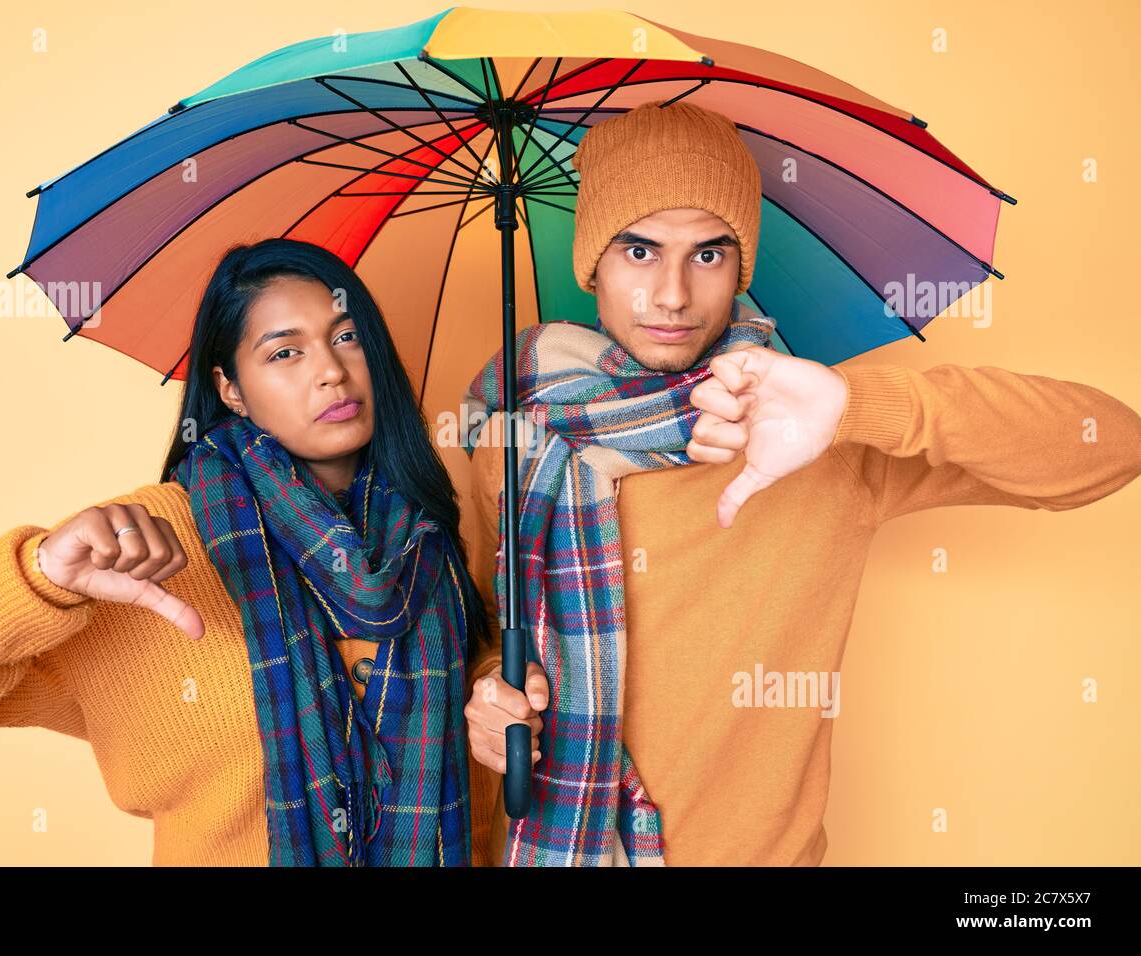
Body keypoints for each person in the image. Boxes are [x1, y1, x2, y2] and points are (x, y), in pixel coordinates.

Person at [461, 101, 1141, 866]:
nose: (675, 294)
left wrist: (865, 405)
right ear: (593, 263)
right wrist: (491, 695)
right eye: (640, 251)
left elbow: (1111, 446)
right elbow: (494, 625)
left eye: (709, 254)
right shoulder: (525, 432)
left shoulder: (818, 429)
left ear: (742, 265)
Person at [0, 238, 489, 866]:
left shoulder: (425, 539)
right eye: (285, 352)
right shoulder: (144, 549)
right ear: (230, 388)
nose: (331, 370)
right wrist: (39, 578)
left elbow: (475, 783)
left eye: (346, 337)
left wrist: (495, 684)